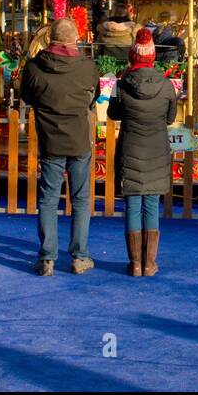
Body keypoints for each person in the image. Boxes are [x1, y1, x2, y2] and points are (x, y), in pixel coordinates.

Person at [19, 16, 100, 277]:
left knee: (49, 199)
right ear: (75, 39)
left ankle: (47, 257)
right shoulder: (87, 67)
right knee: (80, 199)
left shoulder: (34, 68)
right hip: (78, 140)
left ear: (50, 38)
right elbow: (93, 96)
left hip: (50, 140)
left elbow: (26, 96)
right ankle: (79, 255)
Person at [106, 28, 177, 277]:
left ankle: (135, 263)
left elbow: (112, 114)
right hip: (157, 152)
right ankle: (149, 263)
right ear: (152, 57)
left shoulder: (122, 85)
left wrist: (118, 92)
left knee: (133, 205)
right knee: (151, 206)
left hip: (131, 150)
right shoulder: (167, 86)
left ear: (133, 56)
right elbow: (170, 118)